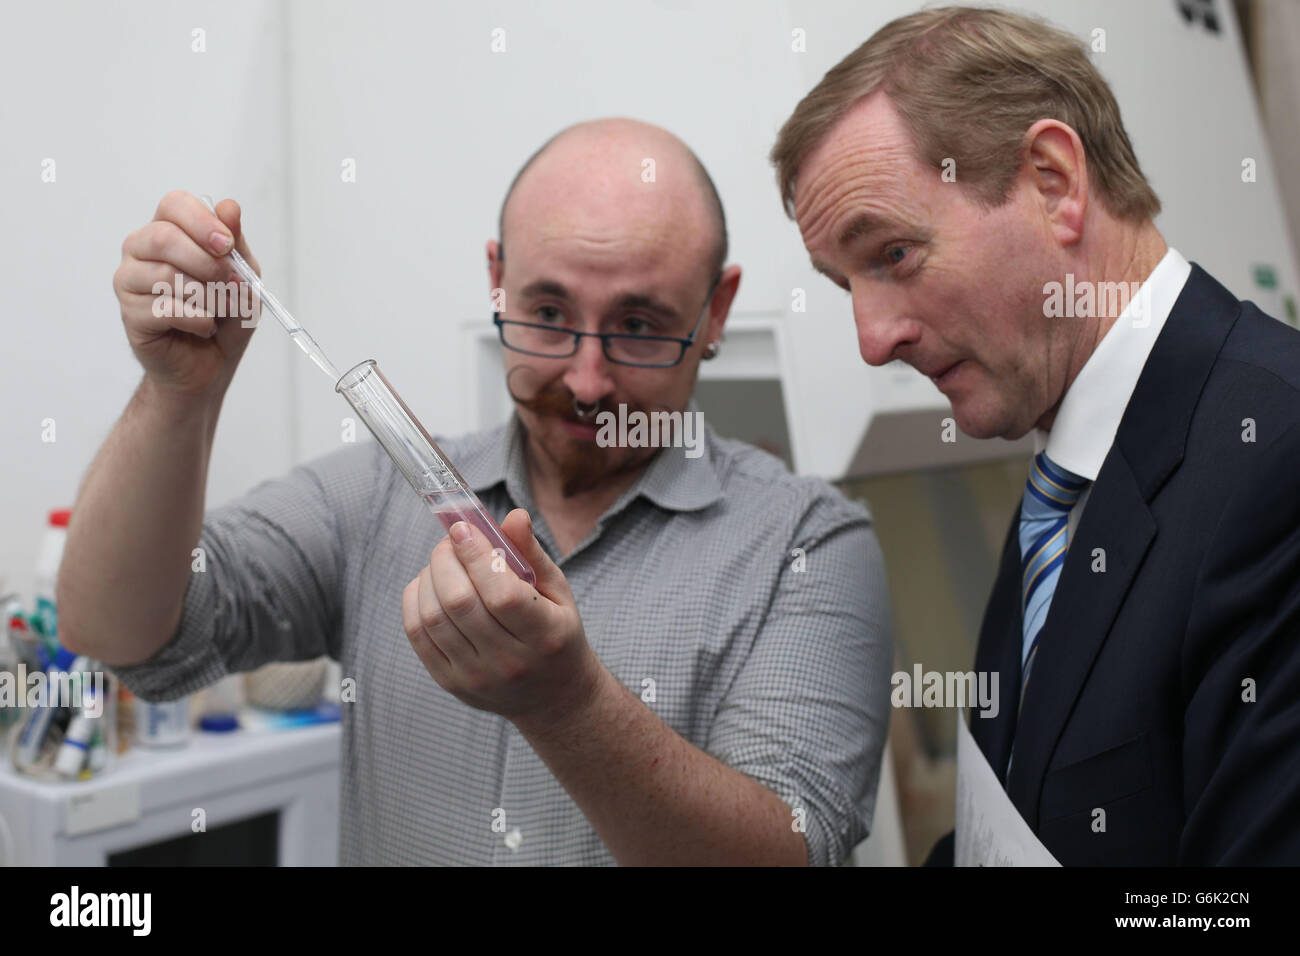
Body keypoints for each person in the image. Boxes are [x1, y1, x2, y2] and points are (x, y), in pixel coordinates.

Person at [58, 118, 893, 866]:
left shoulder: (808, 547)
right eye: (548, 311)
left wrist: (569, 706)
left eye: (640, 325)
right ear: (497, 280)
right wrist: (178, 395)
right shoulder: (374, 494)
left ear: (717, 311)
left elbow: (792, 853)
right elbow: (127, 636)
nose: (588, 380)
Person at [770, 5, 1300, 864]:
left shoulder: (1275, 461)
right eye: (845, 288)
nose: (873, 342)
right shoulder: (1069, 479)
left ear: (1054, 181)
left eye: (894, 255)